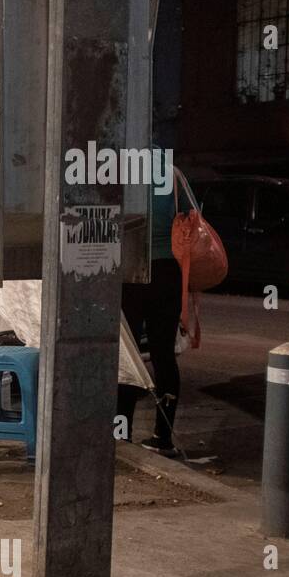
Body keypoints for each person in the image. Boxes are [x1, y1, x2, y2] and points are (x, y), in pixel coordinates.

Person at [117, 180, 182, 456]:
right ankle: (163, 437)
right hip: (169, 272)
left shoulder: (121, 168)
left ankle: (121, 433)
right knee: (163, 354)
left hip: (131, 272)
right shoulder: (173, 172)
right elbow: (191, 220)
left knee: (127, 355)